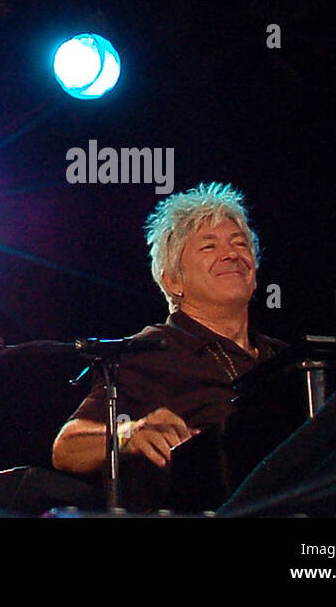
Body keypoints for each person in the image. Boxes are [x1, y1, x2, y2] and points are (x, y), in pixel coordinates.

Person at [51, 183, 283, 509]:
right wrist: (128, 434)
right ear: (173, 280)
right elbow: (66, 447)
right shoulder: (146, 353)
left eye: (239, 243)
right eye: (208, 247)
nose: (231, 254)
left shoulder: (289, 361)